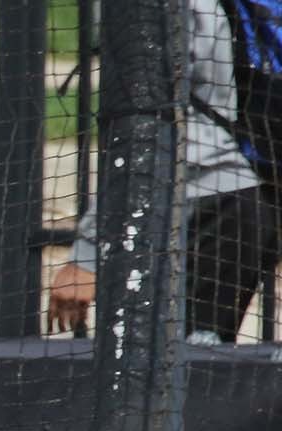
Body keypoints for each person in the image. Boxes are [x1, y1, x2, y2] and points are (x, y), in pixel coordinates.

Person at [49, 0, 282, 343]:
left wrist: (87, 256)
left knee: (165, 368)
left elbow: (146, 137)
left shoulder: (158, 7)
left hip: (204, 208)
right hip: (249, 198)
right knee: (202, 363)